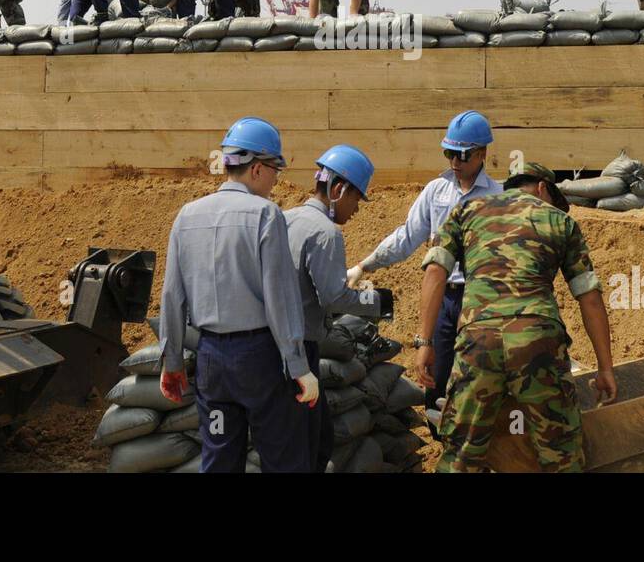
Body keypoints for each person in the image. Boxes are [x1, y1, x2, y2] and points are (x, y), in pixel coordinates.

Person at [414, 162, 617, 473]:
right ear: (541, 188)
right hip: (538, 341)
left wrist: (425, 342)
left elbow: (436, 271)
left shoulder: (467, 210)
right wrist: (605, 369)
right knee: (561, 453)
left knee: (462, 453)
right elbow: (589, 297)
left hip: (477, 340)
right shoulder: (559, 220)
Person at [158, 117, 318, 472]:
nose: (277, 179)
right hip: (259, 360)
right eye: (276, 169)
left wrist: (171, 363)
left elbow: (171, 297)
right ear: (258, 167)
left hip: (212, 361)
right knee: (283, 457)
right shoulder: (265, 215)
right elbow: (280, 298)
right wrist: (298, 366)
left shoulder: (187, 216)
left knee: (219, 456)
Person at [346, 110, 500, 416]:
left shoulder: (498, 196)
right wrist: (366, 265)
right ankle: (440, 435)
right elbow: (406, 238)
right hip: (442, 299)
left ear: (482, 153)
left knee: (477, 377)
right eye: (449, 154)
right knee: (435, 373)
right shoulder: (436, 192)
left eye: (463, 155)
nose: (455, 162)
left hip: (481, 299)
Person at [284, 145, 393, 472]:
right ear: (339, 189)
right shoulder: (326, 232)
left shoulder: (283, 218)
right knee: (313, 443)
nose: (357, 209)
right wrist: (377, 301)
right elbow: (333, 299)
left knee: (297, 438)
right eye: (357, 199)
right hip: (301, 351)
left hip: (275, 347)